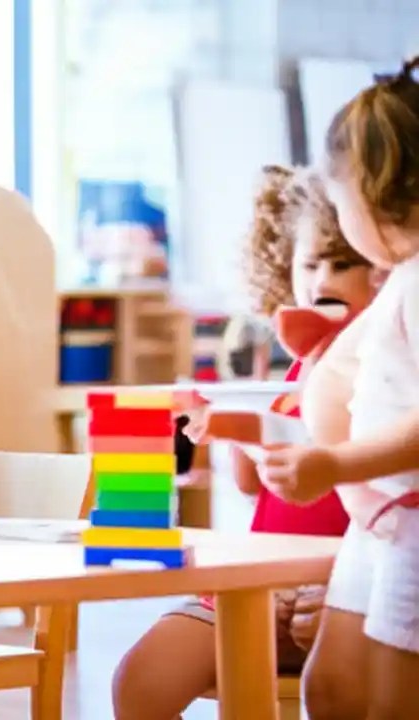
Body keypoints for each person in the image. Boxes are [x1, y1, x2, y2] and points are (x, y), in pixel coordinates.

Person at [111, 165, 378, 720]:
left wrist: (336, 587)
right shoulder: (300, 367)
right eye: (310, 264)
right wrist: (226, 425)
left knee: (342, 692)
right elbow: (252, 483)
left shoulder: (390, 369)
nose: (323, 278)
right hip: (258, 584)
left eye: (344, 262)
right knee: (141, 681)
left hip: (348, 586)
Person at [260, 56, 419, 720]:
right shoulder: (402, 278)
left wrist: (331, 463)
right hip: (377, 521)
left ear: (370, 192)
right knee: (330, 691)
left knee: (391, 699)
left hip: (408, 521)